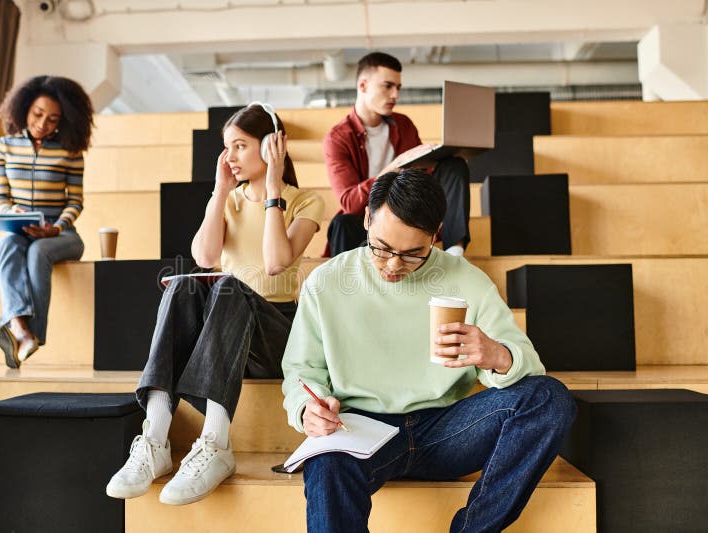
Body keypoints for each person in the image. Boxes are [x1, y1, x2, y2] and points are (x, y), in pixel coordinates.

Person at [282, 169, 576, 532]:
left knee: (550, 398)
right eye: (382, 248)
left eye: (413, 254)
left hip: (447, 429)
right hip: (360, 429)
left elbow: (530, 368)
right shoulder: (326, 282)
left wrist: (496, 355)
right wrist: (306, 408)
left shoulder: (466, 279)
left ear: (436, 235)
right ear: (366, 220)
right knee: (325, 462)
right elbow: (301, 371)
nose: (393, 265)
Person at [106, 103, 325, 506]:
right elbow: (205, 256)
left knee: (228, 288)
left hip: (277, 335)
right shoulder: (229, 199)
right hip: (226, 337)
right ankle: (154, 436)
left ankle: (216, 442)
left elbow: (277, 262)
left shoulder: (304, 202)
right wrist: (221, 190)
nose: (230, 157)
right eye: (227, 148)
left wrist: (273, 189)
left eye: (240, 146)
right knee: (181, 287)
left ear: (273, 145)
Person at [324, 51, 471, 257]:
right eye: (388, 86)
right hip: (368, 221)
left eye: (398, 88)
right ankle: (349, 280)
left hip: (407, 212)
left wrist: (438, 156)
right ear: (363, 85)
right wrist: (391, 170)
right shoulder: (338, 137)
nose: (396, 95)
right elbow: (349, 203)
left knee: (454, 166)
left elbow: (423, 176)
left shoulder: (404, 125)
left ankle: (455, 252)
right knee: (342, 223)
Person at [0, 75, 93, 368]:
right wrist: (15, 215)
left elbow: (75, 202)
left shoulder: (71, 152)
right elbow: (0, 199)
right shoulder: (3, 147)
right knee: (6, 246)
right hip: (21, 227)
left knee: (39, 251)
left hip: (62, 234)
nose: (43, 123)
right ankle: (21, 329)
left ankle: (28, 333)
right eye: (38, 114)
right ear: (24, 108)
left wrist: (56, 227)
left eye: (53, 119)